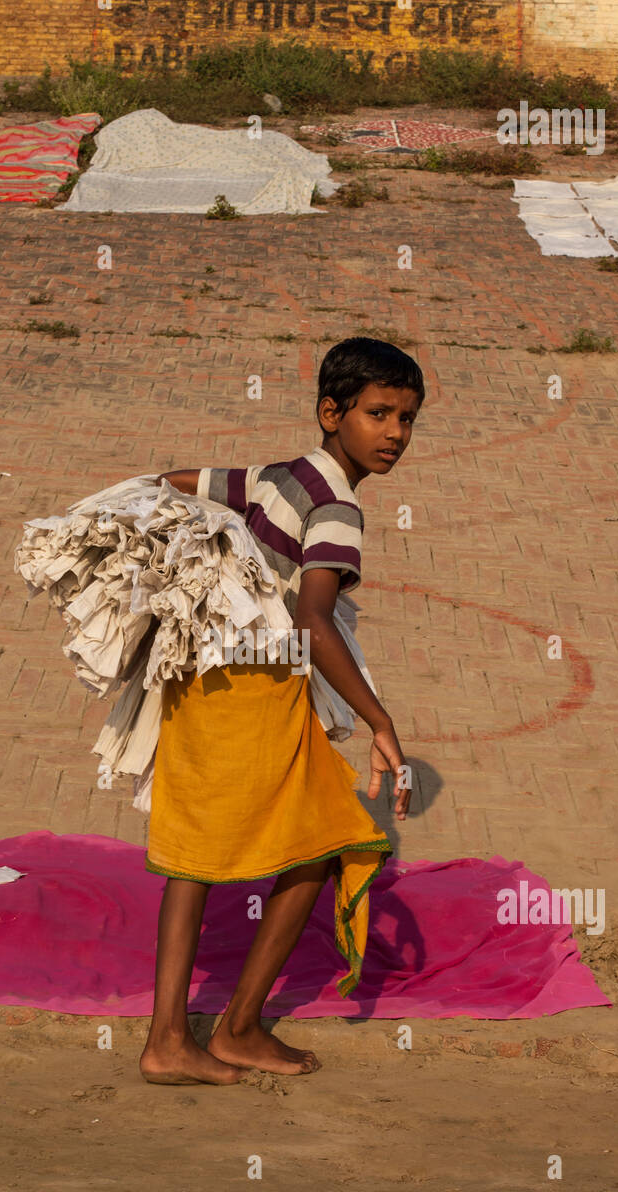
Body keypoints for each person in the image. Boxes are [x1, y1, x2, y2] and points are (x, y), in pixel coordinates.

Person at [139, 336, 423, 1085]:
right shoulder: (335, 507)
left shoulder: (277, 476)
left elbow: (176, 480)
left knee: (200, 860)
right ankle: (218, 1030)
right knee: (322, 841)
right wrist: (379, 719)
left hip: (199, 682)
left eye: (406, 418)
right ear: (332, 411)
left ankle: (195, 1033)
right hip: (258, 696)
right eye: (378, 413)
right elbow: (313, 621)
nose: (394, 433)